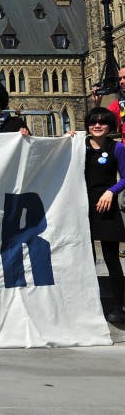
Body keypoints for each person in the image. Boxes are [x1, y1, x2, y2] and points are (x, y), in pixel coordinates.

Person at [77, 107, 125, 323]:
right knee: (86, 258)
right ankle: (88, 304)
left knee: (111, 258)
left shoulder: (118, 148)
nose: (97, 126)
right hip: (81, 205)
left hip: (106, 205)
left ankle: (117, 305)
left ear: (109, 126)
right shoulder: (79, 146)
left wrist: (111, 191)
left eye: (102, 122)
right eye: (93, 122)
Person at [91, 67, 125, 135]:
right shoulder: (120, 104)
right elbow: (101, 121)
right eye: (120, 79)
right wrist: (97, 104)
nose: (121, 82)